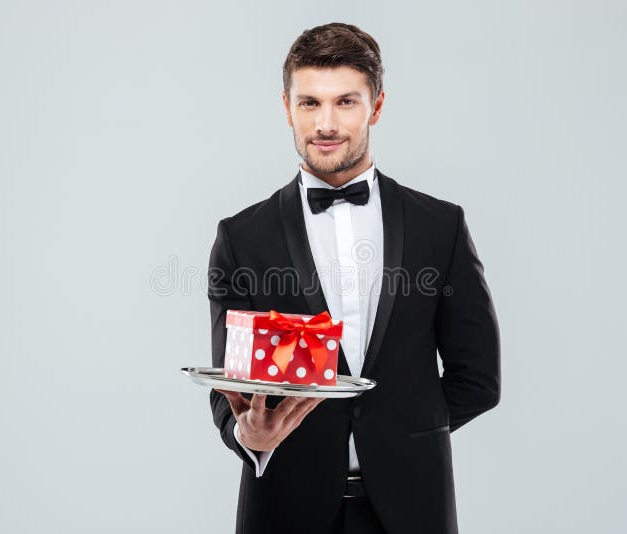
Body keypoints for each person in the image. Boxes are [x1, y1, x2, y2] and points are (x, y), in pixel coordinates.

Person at [207, 22, 500, 534]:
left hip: (413, 511)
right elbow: (227, 390)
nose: (325, 124)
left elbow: (478, 379)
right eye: (309, 103)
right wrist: (249, 436)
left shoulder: (440, 226)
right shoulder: (240, 237)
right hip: (283, 510)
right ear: (286, 107)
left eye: (345, 101)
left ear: (377, 106)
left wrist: (403, 432)